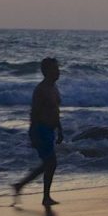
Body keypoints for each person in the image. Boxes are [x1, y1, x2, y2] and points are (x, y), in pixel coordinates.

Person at [13, 57, 63, 205]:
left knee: (48, 164)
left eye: (58, 69)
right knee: (50, 163)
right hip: (41, 129)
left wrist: (60, 129)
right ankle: (44, 197)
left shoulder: (54, 88)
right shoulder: (41, 89)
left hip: (51, 130)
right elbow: (34, 112)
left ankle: (21, 185)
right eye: (54, 69)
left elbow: (56, 110)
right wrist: (32, 133)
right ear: (46, 71)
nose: (58, 72)